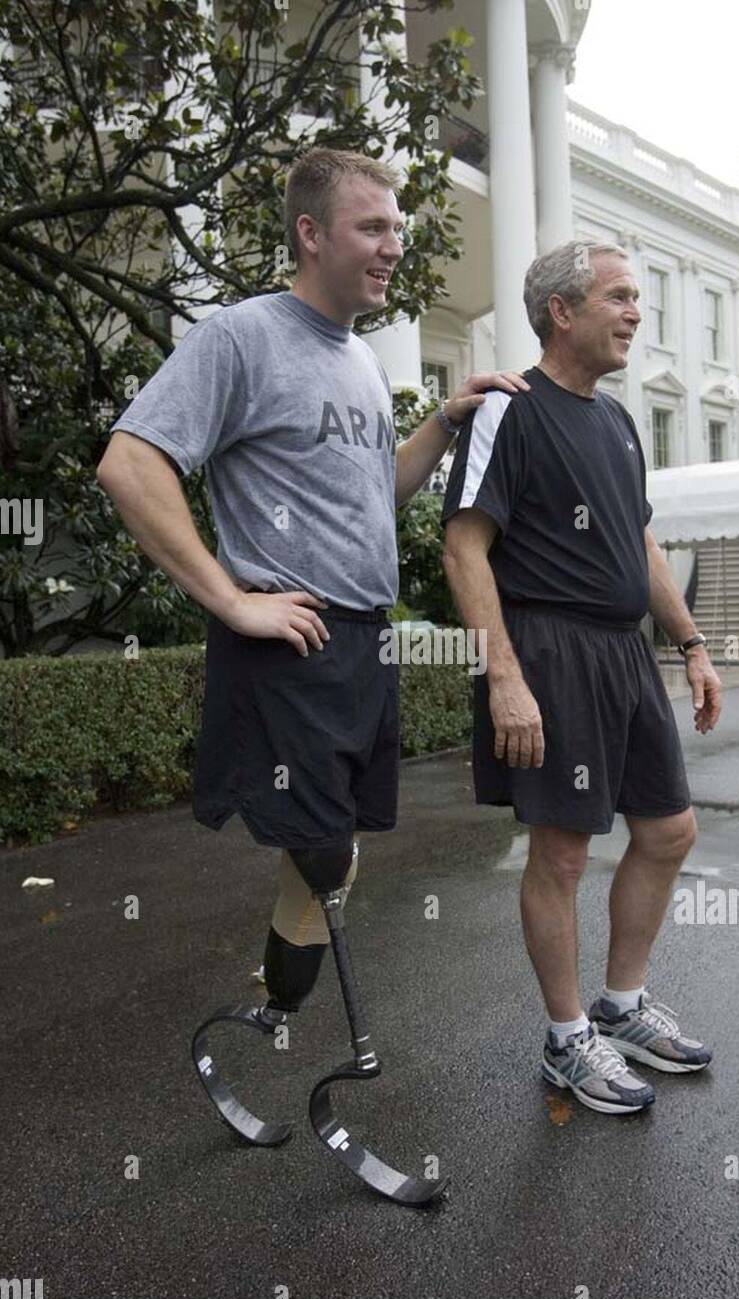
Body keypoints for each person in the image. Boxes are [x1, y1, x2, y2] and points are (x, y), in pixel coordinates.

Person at [96, 146, 528, 1016]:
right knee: (323, 847)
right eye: (372, 227)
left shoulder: (360, 360)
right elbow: (129, 464)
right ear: (309, 233)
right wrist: (229, 598)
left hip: (363, 643)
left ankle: (275, 1014)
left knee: (340, 844)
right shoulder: (241, 336)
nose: (393, 245)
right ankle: (290, 1019)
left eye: (397, 229)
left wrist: (443, 423)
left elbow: (378, 493)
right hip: (292, 638)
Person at [440, 240, 723, 1115]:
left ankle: (622, 1007)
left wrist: (691, 643)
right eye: (620, 297)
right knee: (561, 852)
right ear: (562, 311)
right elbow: (463, 543)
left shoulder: (619, 421)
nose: (635, 313)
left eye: (639, 298)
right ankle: (568, 1041)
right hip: (550, 650)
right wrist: (504, 679)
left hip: (624, 651)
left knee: (670, 829)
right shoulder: (509, 413)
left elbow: (639, 546)